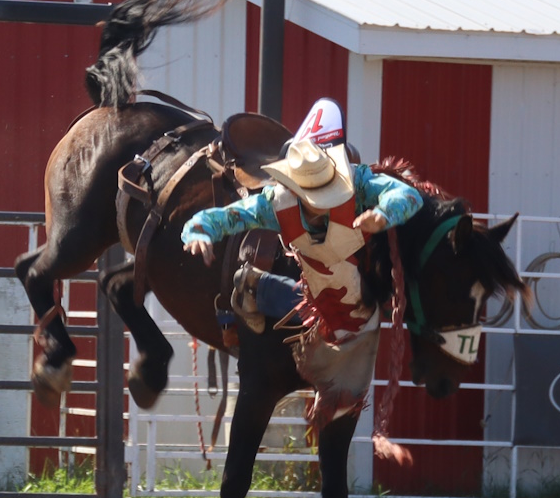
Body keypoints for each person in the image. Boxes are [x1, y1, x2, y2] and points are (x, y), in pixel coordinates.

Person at [181, 98, 422, 430]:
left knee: (355, 329)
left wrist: (383, 215)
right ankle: (256, 286)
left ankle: (259, 287)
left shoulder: (361, 182)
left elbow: (409, 196)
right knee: (318, 312)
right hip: (317, 289)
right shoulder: (273, 204)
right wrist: (198, 232)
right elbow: (220, 218)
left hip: (353, 291)